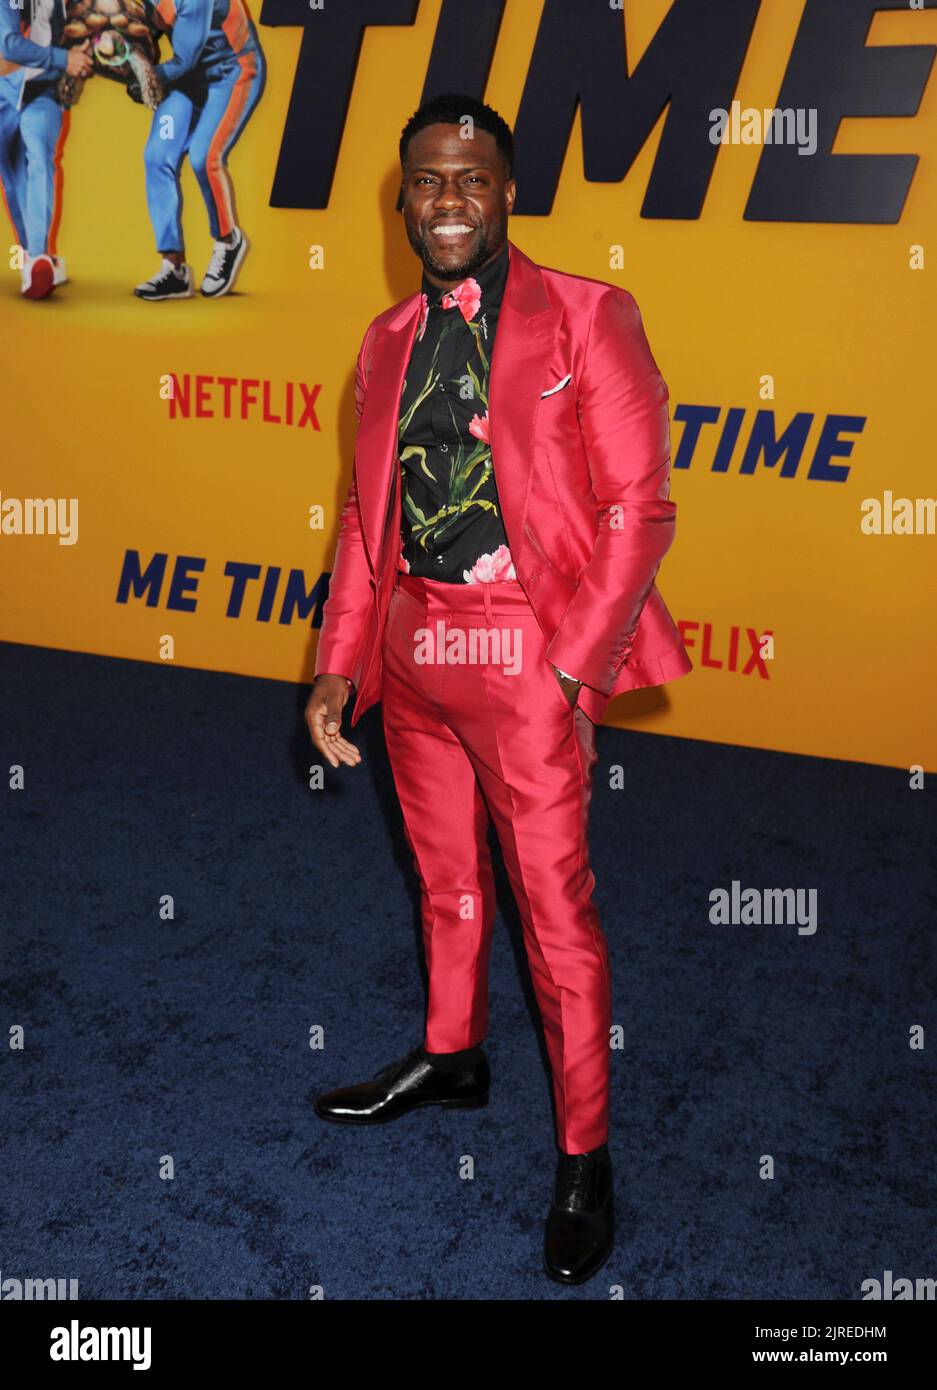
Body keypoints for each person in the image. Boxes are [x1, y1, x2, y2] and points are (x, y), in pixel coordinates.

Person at [305, 93, 692, 1286]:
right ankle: (451, 1051)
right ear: (404, 199)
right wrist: (336, 663)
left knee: (553, 911)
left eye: (472, 178)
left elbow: (640, 513)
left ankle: (585, 1155)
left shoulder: (589, 315)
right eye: (427, 180)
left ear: (508, 191)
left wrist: (570, 667)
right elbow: (368, 526)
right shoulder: (381, 340)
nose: (449, 201)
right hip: (414, 653)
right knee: (446, 880)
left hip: (528, 652)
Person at [132, 0, 264, 301]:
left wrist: (144, 77)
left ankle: (228, 240)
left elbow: (184, 59)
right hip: (187, 82)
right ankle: (173, 267)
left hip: (231, 73)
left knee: (205, 157)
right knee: (156, 156)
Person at [0, 0, 91, 299]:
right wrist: (63, 59)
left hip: (44, 92)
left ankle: (38, 257)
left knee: (39, 156)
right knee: (13, 177)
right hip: (5, 93)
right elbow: (9, 46)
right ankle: (35, 258)